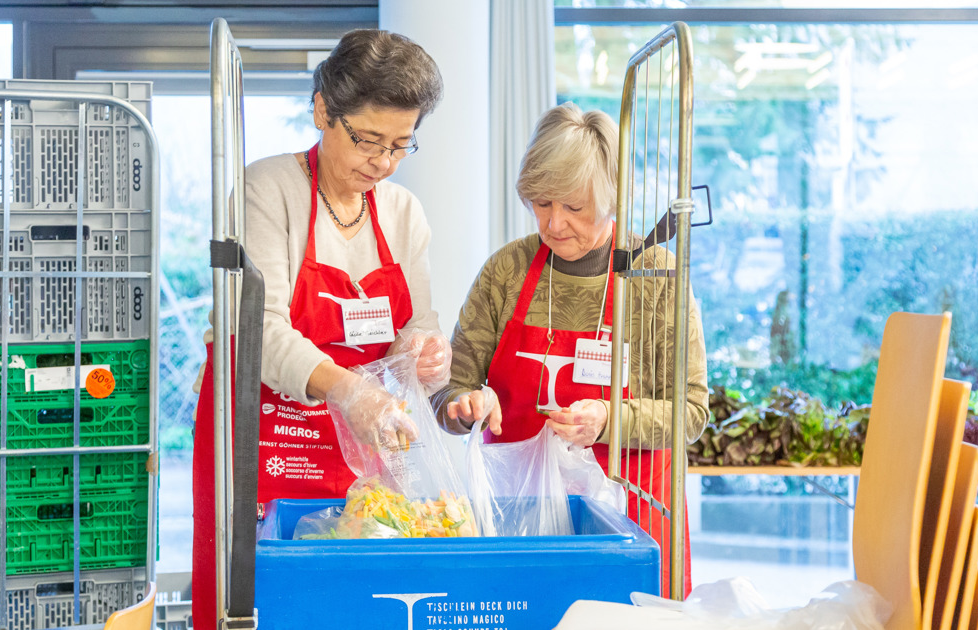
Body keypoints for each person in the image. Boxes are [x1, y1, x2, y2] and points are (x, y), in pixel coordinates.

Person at [192, 29, 449, 625]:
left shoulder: (404, 212)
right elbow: (259, 330)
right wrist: (350, 390)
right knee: (259, 599)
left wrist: (426, 354)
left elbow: (419, 323)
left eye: (400, 146)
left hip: (361, 449)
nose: (382, 163)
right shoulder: (267, 190)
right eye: (367, 140)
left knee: (354, 601)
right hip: (263, 439)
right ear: (322, 110)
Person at [432, 103, 710, 596]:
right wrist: (465, 405)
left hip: (632, 525)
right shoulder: (508, 271)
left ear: (614, 198)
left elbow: (689, 411)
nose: (554, 223)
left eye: (574, 207)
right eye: (541, 203)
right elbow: (448, 391)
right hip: (521, 521)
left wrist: (608, 418)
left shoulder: (654, 277)